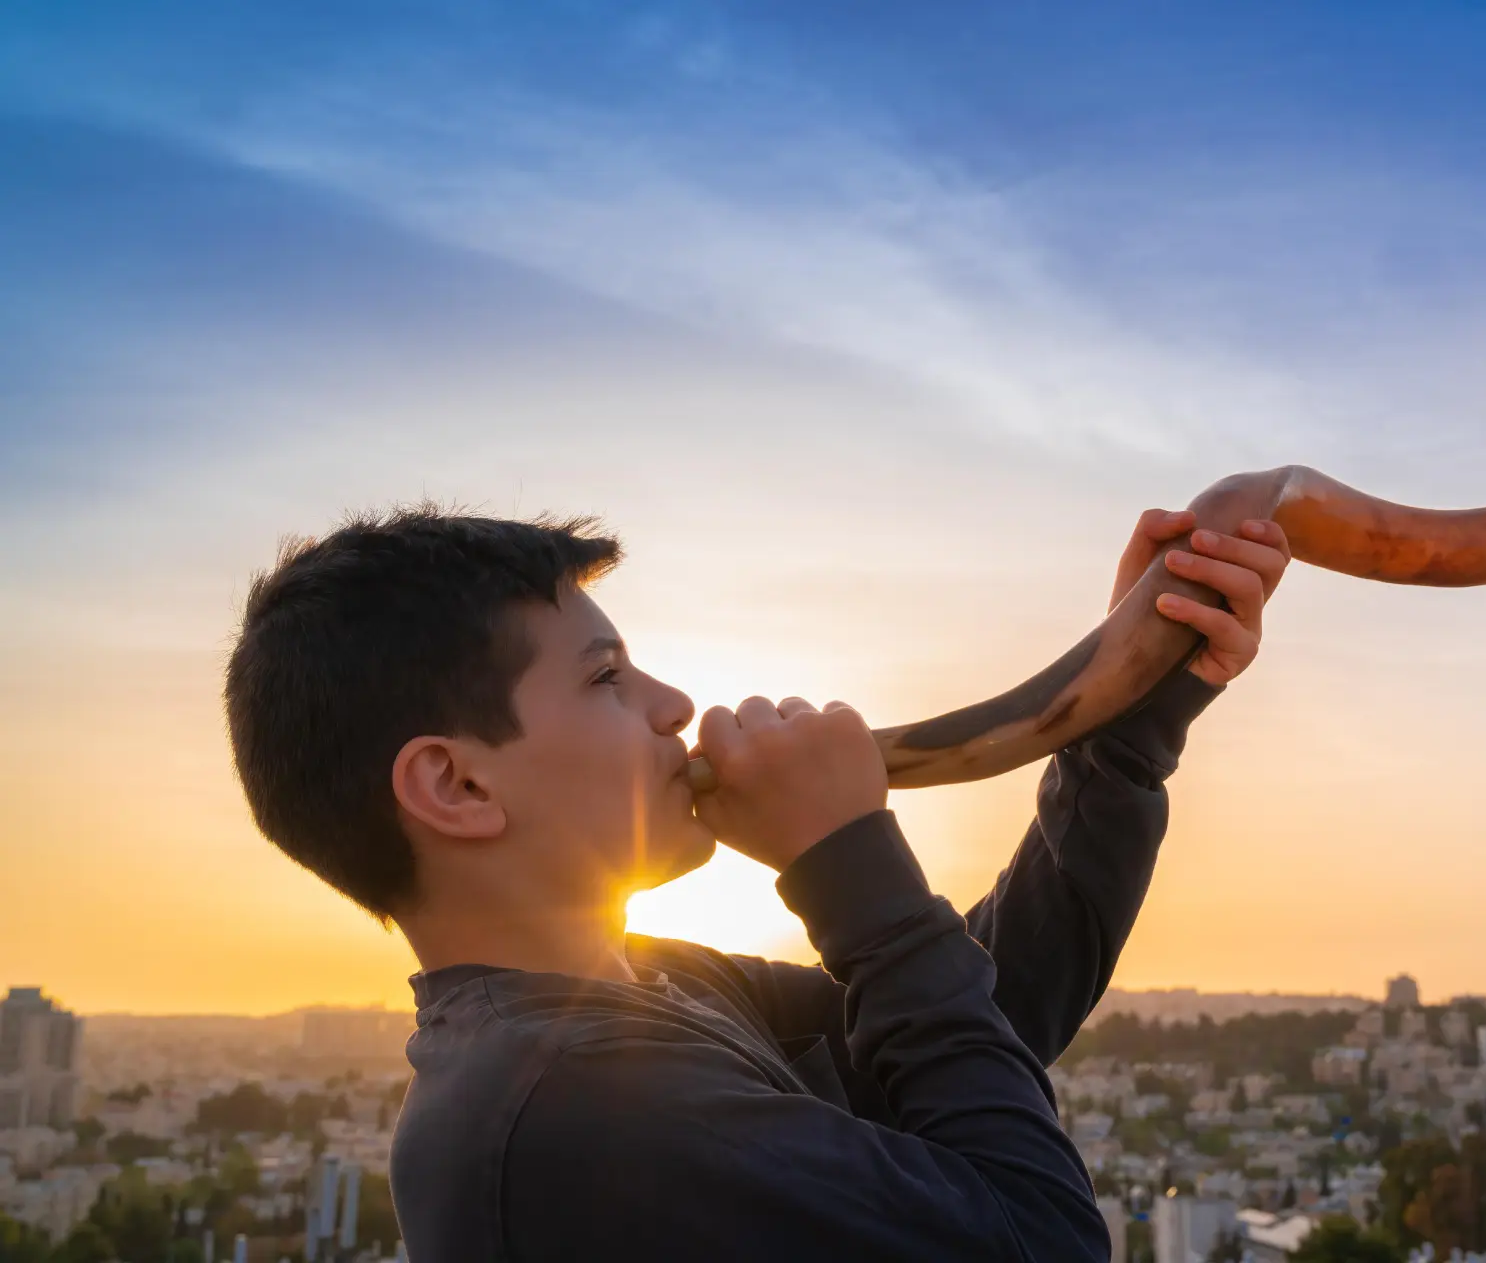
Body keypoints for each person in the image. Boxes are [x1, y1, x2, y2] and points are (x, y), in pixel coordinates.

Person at [223, 503, 1290, 1261]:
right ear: (455, 783)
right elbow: (1040, 1239)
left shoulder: (639, 998)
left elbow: (984, 1016)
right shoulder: (562, 1109)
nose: (672, 702)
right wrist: (843, 856)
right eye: (604, 677)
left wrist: (1125, 721)